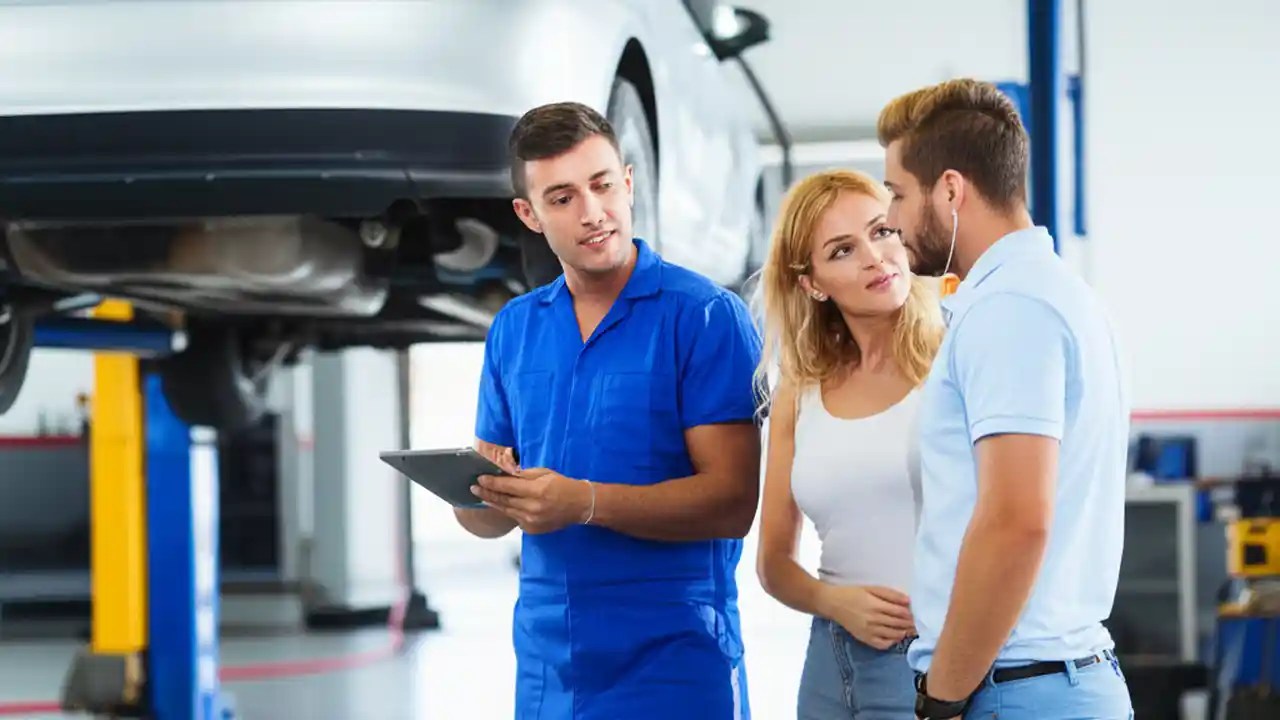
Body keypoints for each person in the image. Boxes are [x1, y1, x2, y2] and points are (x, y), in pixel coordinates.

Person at [455, 100, 763, 719]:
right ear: (529, 214)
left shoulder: (702, 317)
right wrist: (485, 496)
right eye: (562, 197)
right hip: (549, 661)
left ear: (628, 182)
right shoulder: (515, 329)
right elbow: (484, 519)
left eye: (601, 186)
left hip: (675, 655)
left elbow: (733, 503)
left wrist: (584, 502)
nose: (592, 214)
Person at [876, 78, 1134, 720]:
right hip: (1044, 685)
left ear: (952, 190)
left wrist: (943, 697)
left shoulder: (1010, 308)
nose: (890, 218)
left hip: (1016, 692)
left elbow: (1016, 521)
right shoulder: (1049, 293)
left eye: (899, 193)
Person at [752, 169, 944, 719]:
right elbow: (773, 563)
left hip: (931, 658)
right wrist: (834, 602)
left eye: (882, 231)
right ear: (812, 283)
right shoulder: (799, 388)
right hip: (830, 662)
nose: (875, 257)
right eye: (842, 250)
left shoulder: (953, 360)